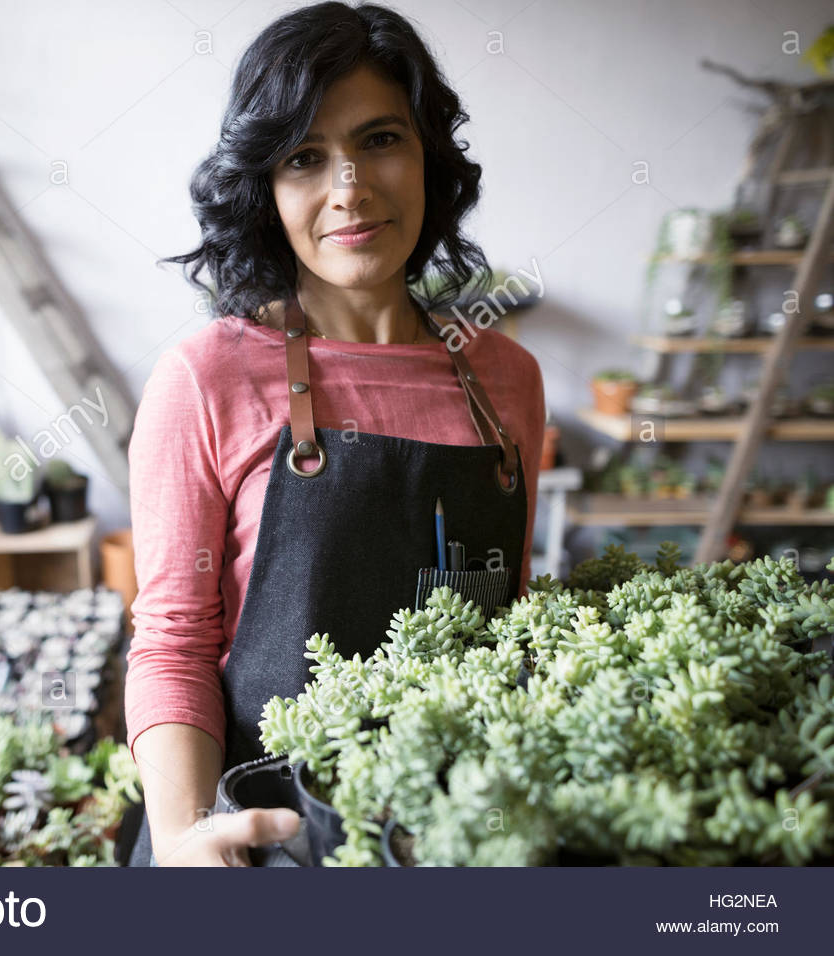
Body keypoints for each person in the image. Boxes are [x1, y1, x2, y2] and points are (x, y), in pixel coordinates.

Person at [124, 2, 545, 867]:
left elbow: (514, 622)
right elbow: (172, 642)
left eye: (381, 139)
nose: (348, 188)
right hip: (257, 848)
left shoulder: (507, 380)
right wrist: (180, 839)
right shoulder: (207, 378)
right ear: (265, 189)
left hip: (443, 841)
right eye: (305, 158)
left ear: (429, 153)